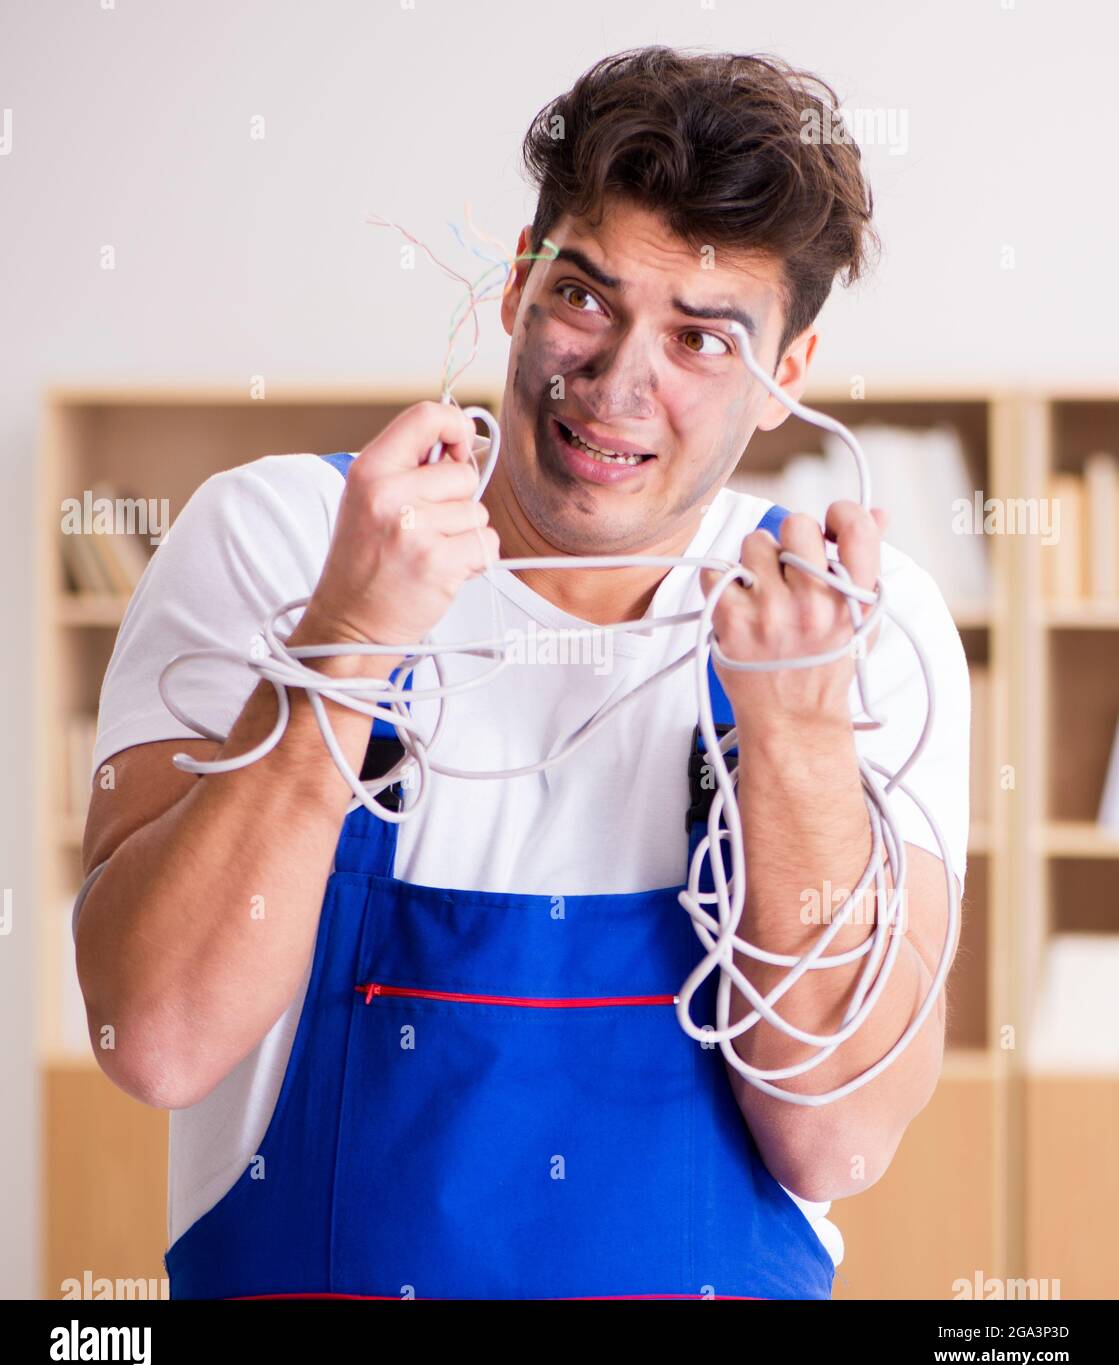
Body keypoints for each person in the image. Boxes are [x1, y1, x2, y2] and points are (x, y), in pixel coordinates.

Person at [74, 46, 969, 1300]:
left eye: (703, 339)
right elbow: (152, 1036)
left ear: (790, 380)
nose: (616, 383)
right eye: (587, 298)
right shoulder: (280, 542)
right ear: (514, 284)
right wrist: (343, 642)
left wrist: (803, 741)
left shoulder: (858, 621)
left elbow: (841, 1134)